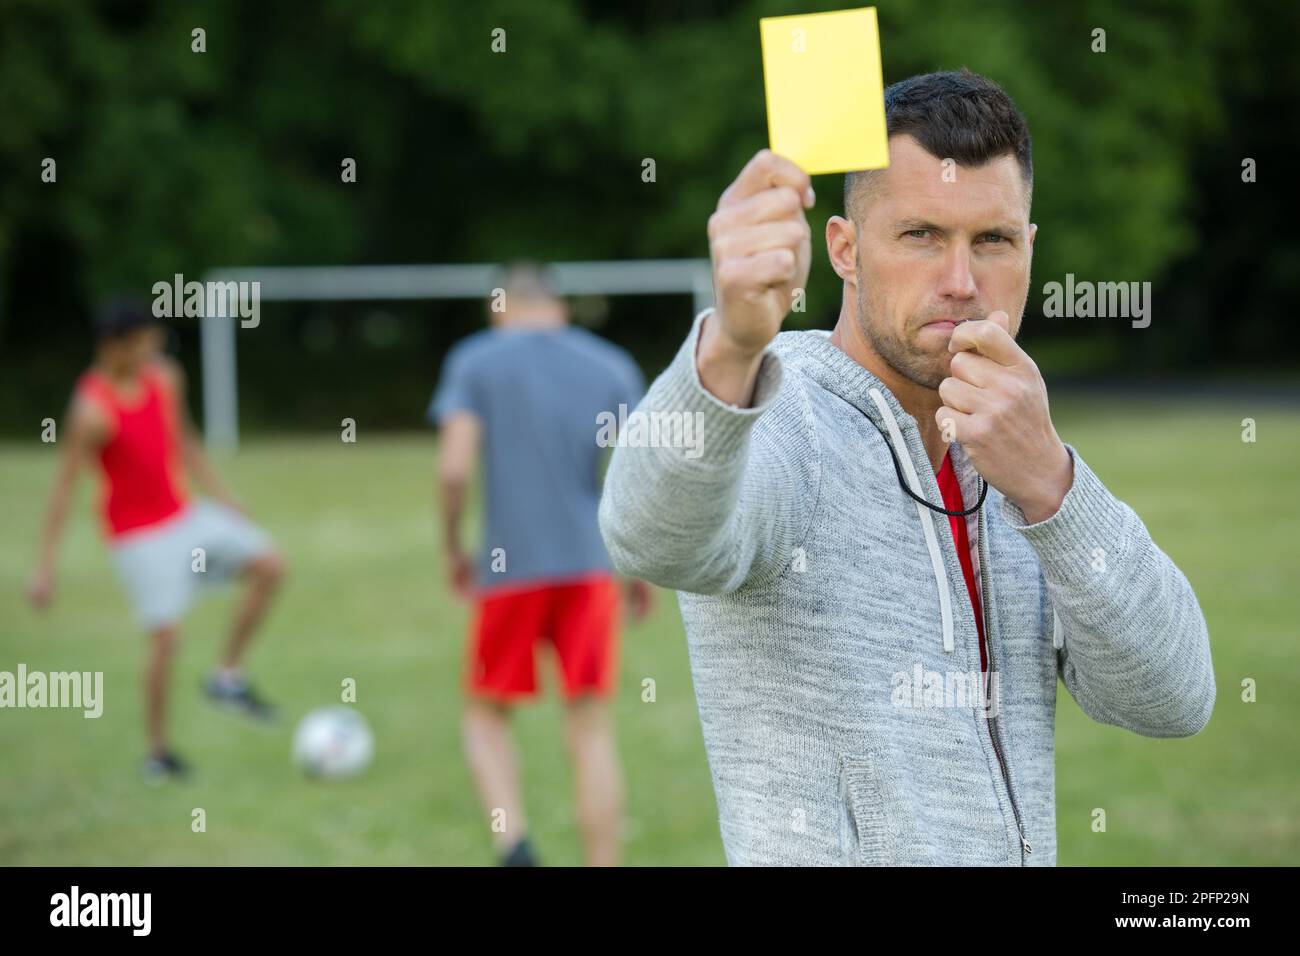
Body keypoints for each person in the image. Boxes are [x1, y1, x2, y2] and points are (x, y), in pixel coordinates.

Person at [599, 70, 1216, 865]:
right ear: (845, 250)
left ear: (1029, 251)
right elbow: (648, 536)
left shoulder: (1019, 451)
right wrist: (729, 348)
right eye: (921, 235)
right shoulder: (786, 420)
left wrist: (1052, 485)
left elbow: (1174, 697)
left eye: (990, 241)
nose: (961, 283)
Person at [431, 262, 652, 867]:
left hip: (510, 571)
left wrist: (454, 547)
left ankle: (514, 842)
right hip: (590, 567)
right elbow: (640, 481)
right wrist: (635, 569)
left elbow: (453, 470)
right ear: (557, 304)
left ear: (499, 306)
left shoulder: (475, 360)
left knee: (484, 712)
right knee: (588, 726)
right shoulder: (609, 364)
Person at [27, 298, 286, 782]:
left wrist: (223, 496)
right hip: (138, 537)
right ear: (115, 345)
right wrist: (45, 567)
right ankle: (158, 754)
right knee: (166, 640)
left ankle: (226, 677)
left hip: (185, 515)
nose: (153, 349)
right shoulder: (91, 410)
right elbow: (65, 488)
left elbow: (184, 440)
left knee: (271, 564)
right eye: (145, 341)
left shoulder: (164, 379)